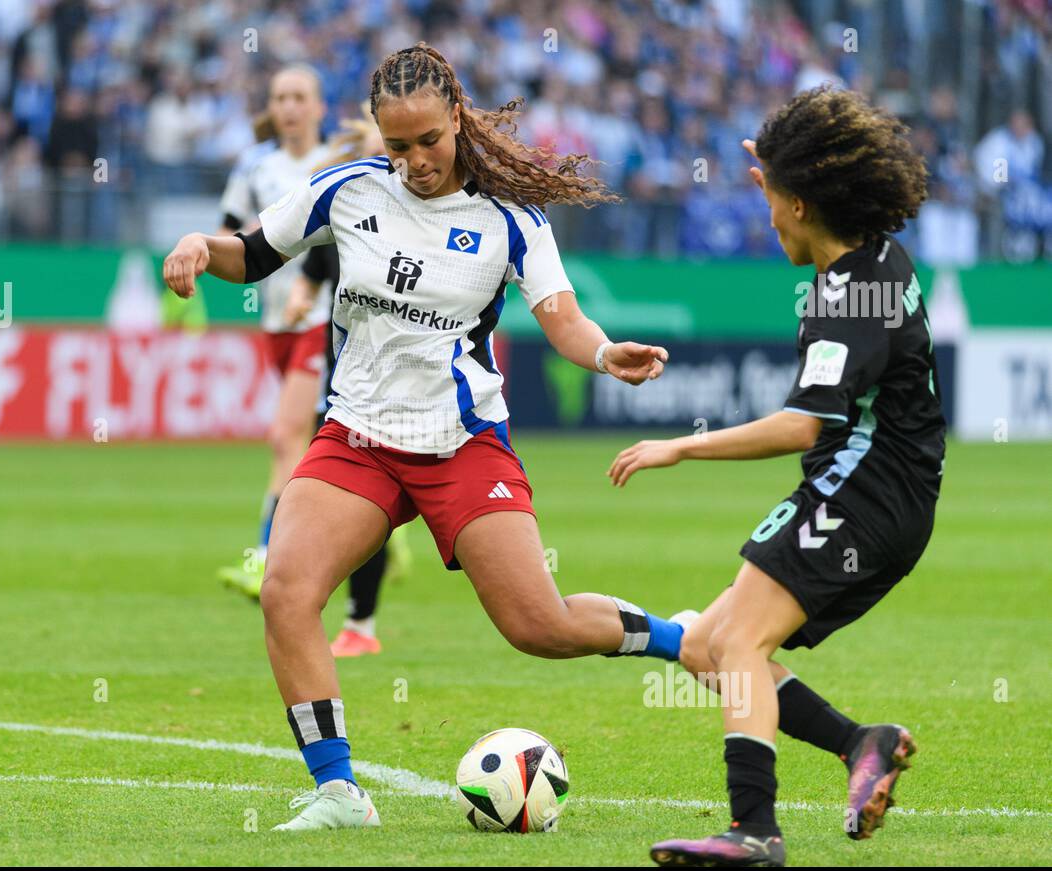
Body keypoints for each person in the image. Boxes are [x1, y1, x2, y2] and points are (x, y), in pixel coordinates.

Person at [164, 43, 678, 831]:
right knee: (287, 592)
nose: (414, 161)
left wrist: (609, 354)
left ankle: (684, 640)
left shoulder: (512, 219)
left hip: (461, 442)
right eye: (397, 145)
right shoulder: (345, 191)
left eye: (428, 141)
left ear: (458, 119)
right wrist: (205, 245)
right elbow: (256, 255)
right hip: (358, 436)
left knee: (538, 627)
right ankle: (339, 793)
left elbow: (565, 321)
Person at [609, 86, 943, 866]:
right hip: (880, 495)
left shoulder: (850, 297)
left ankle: (754, 830)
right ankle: (864, 742)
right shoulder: (872, 255)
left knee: (744, 645)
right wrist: (779, 166)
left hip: (864, 495)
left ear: (802, 203)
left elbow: (802, 425)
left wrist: (681, 447)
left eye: (772, 201)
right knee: (706, 647)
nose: (766, 218)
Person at [284, 100, 412, 657]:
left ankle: (360, 618)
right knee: (354, 510)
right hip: (347, 395)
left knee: (375, 515)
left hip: (417, 399)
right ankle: (354, 622)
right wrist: (296, 302)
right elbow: (307, 276)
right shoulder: (339, 219)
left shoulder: (428, 227)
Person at [213, 65, 335, 599]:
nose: (289, 106)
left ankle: (264, 555)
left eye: (299, 97)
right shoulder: (254, 168)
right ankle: (378, 537)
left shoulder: (337, 164)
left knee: (285, 437)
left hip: (324, 319)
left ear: (319, 107)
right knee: (312, 446)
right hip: (274, 322)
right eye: (280, 96)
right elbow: (227, 231)